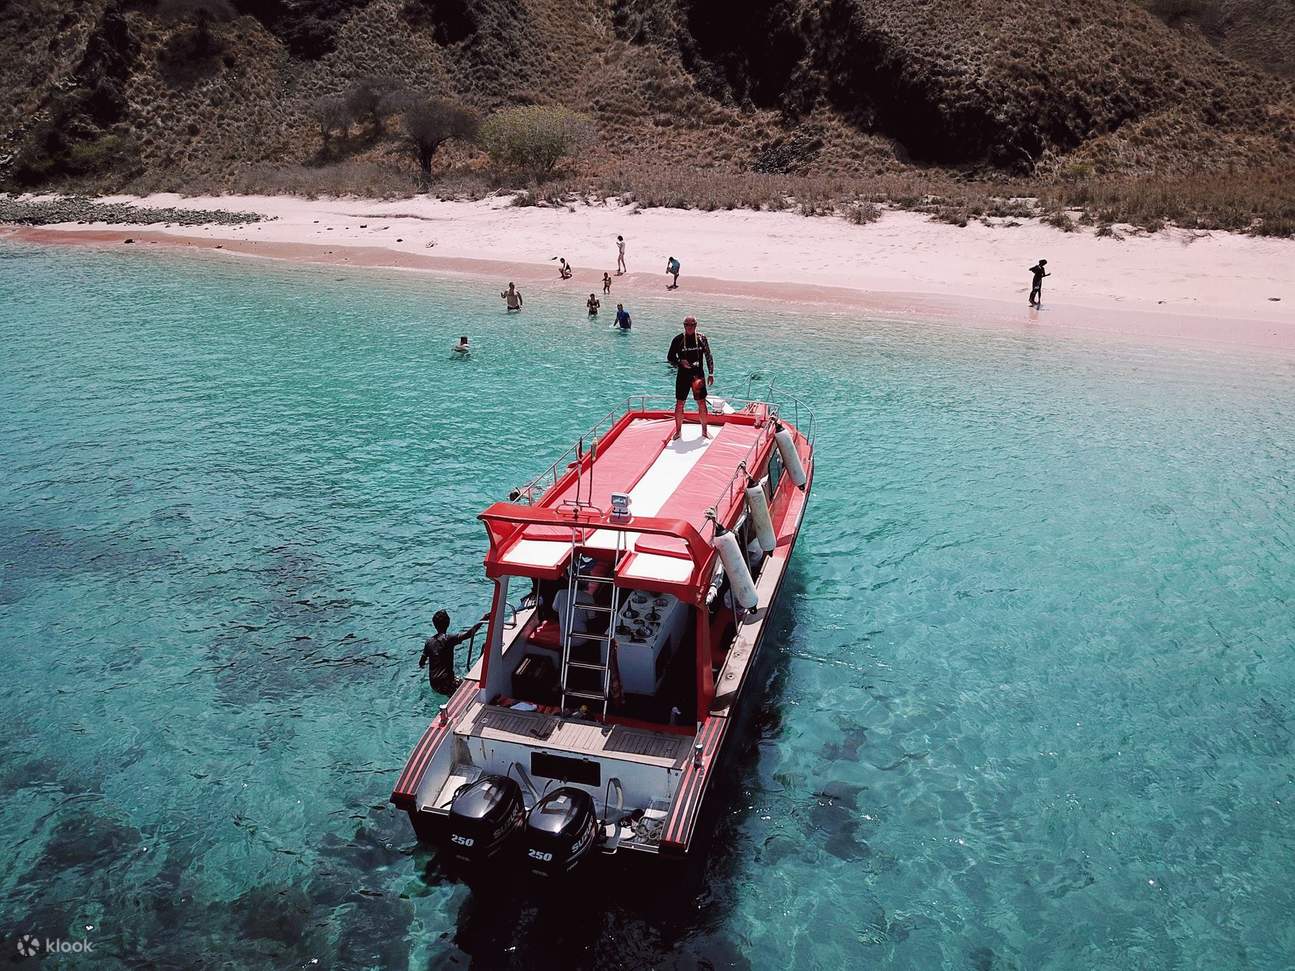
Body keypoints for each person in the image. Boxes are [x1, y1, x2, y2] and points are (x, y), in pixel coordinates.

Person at [667, 315, 714, 440]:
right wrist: (680, 362)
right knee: (680, 403)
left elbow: (708, 356)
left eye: (692, 325)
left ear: (696, 325)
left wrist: (711, 373)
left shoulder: (702, 338)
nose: (689, 327)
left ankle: (704, 431)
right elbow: (670, 357)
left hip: (697, 376)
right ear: (683, 326)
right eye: (687, 325)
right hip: (683, 376)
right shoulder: (678, 339)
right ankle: (678, 431)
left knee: (702, 403)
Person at [419, 609, 485, 696]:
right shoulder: (449, 639)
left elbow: (421, 663)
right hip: (446, 684)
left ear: (434, 625)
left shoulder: (428, 642)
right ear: (448, 623)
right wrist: (483, 620)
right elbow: (469, 634)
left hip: (434, 684)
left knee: (456, 680)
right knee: (466, 688)